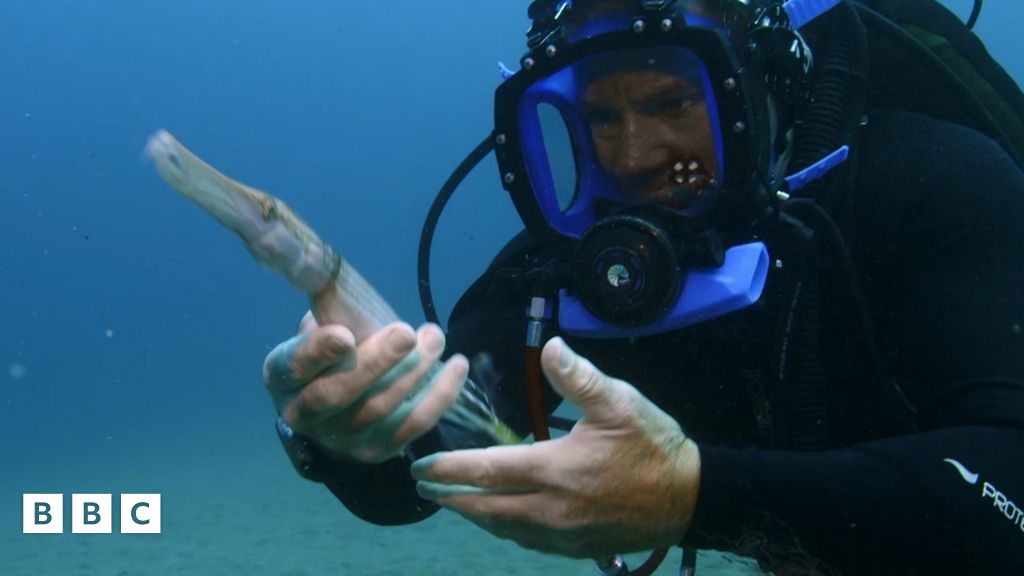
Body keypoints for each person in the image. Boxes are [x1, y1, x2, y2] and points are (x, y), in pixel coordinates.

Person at [263, 1, 1024, 574]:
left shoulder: (929, 186)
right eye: (600, 116)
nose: (633, 156)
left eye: (670, 102)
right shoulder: (567, 268)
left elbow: (1008, 496)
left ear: (756, 79)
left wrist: (694, 496)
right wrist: (345, 434)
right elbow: (423, 471)